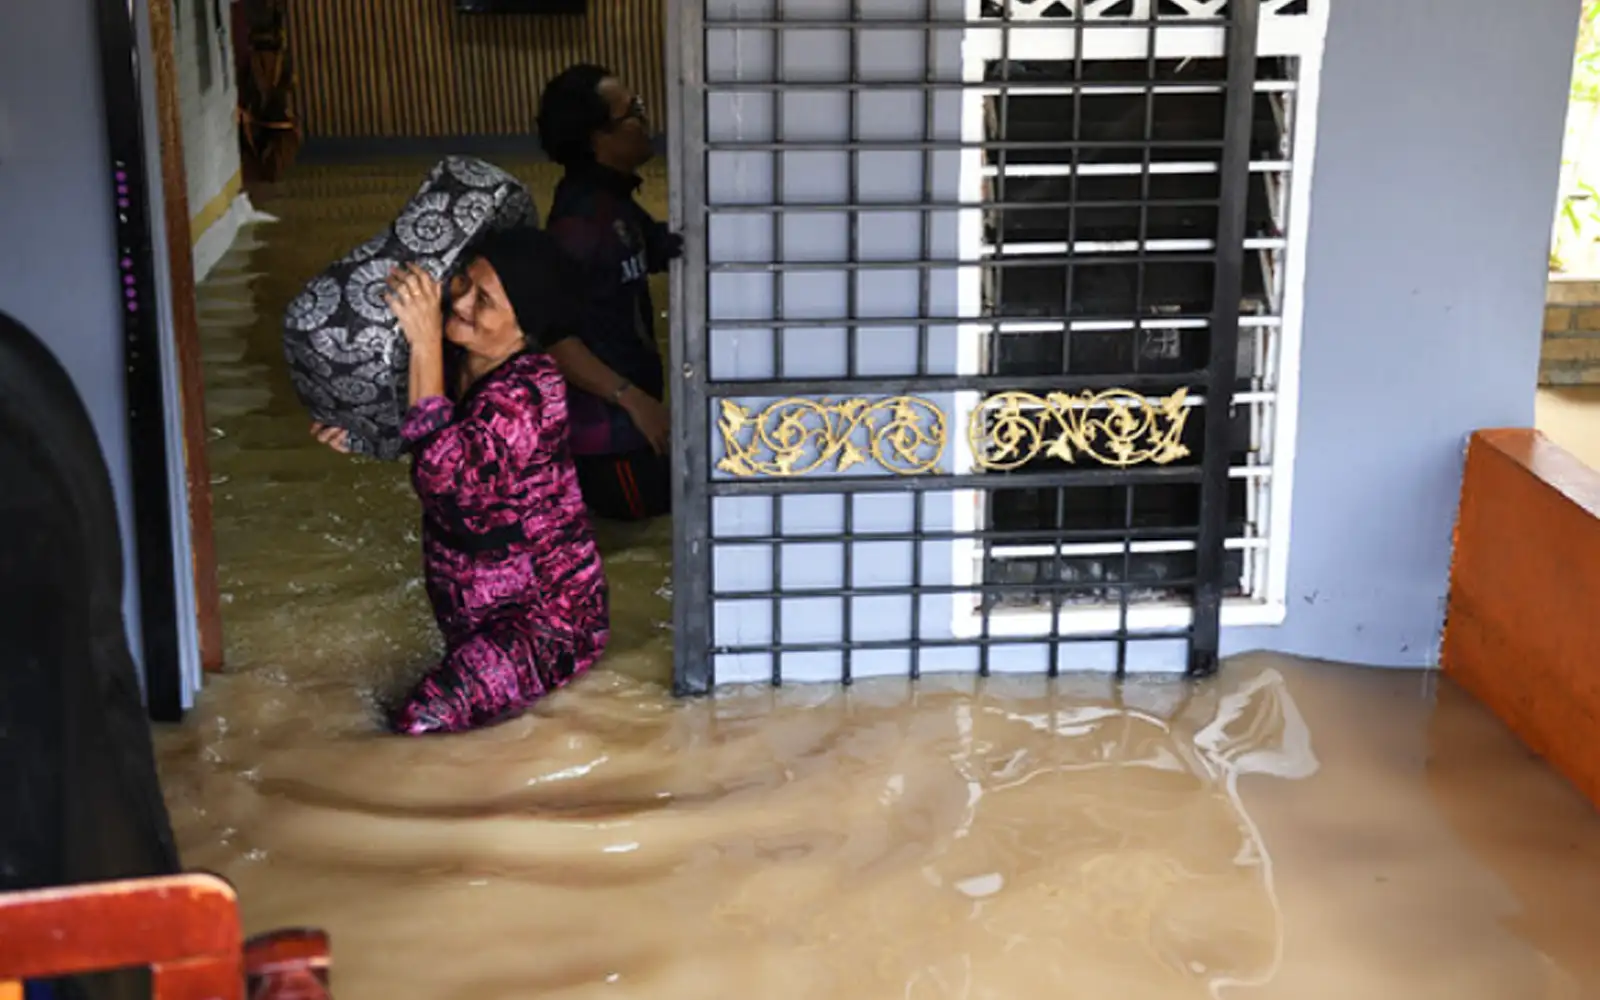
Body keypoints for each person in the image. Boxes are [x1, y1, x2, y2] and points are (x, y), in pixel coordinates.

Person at [312, 228, 609, 735]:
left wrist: (424, 339)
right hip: (473, 617)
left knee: (419, 723)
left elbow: (449, 480)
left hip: (546, 624)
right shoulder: (455, 365)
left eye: (485, 300)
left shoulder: (532, 391)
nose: (461, 302)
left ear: (523, 327)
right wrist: (361, 434)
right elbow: (421, 429)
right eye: (463, 283)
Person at [536, 63, 681, 522]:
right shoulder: (579, 226)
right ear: (600, 137)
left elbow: (657, 246)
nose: (646, 119)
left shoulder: (613, 203)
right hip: (612, 437)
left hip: (636, 420)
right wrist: (632, 400)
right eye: (633, 111)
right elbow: (553, 339)